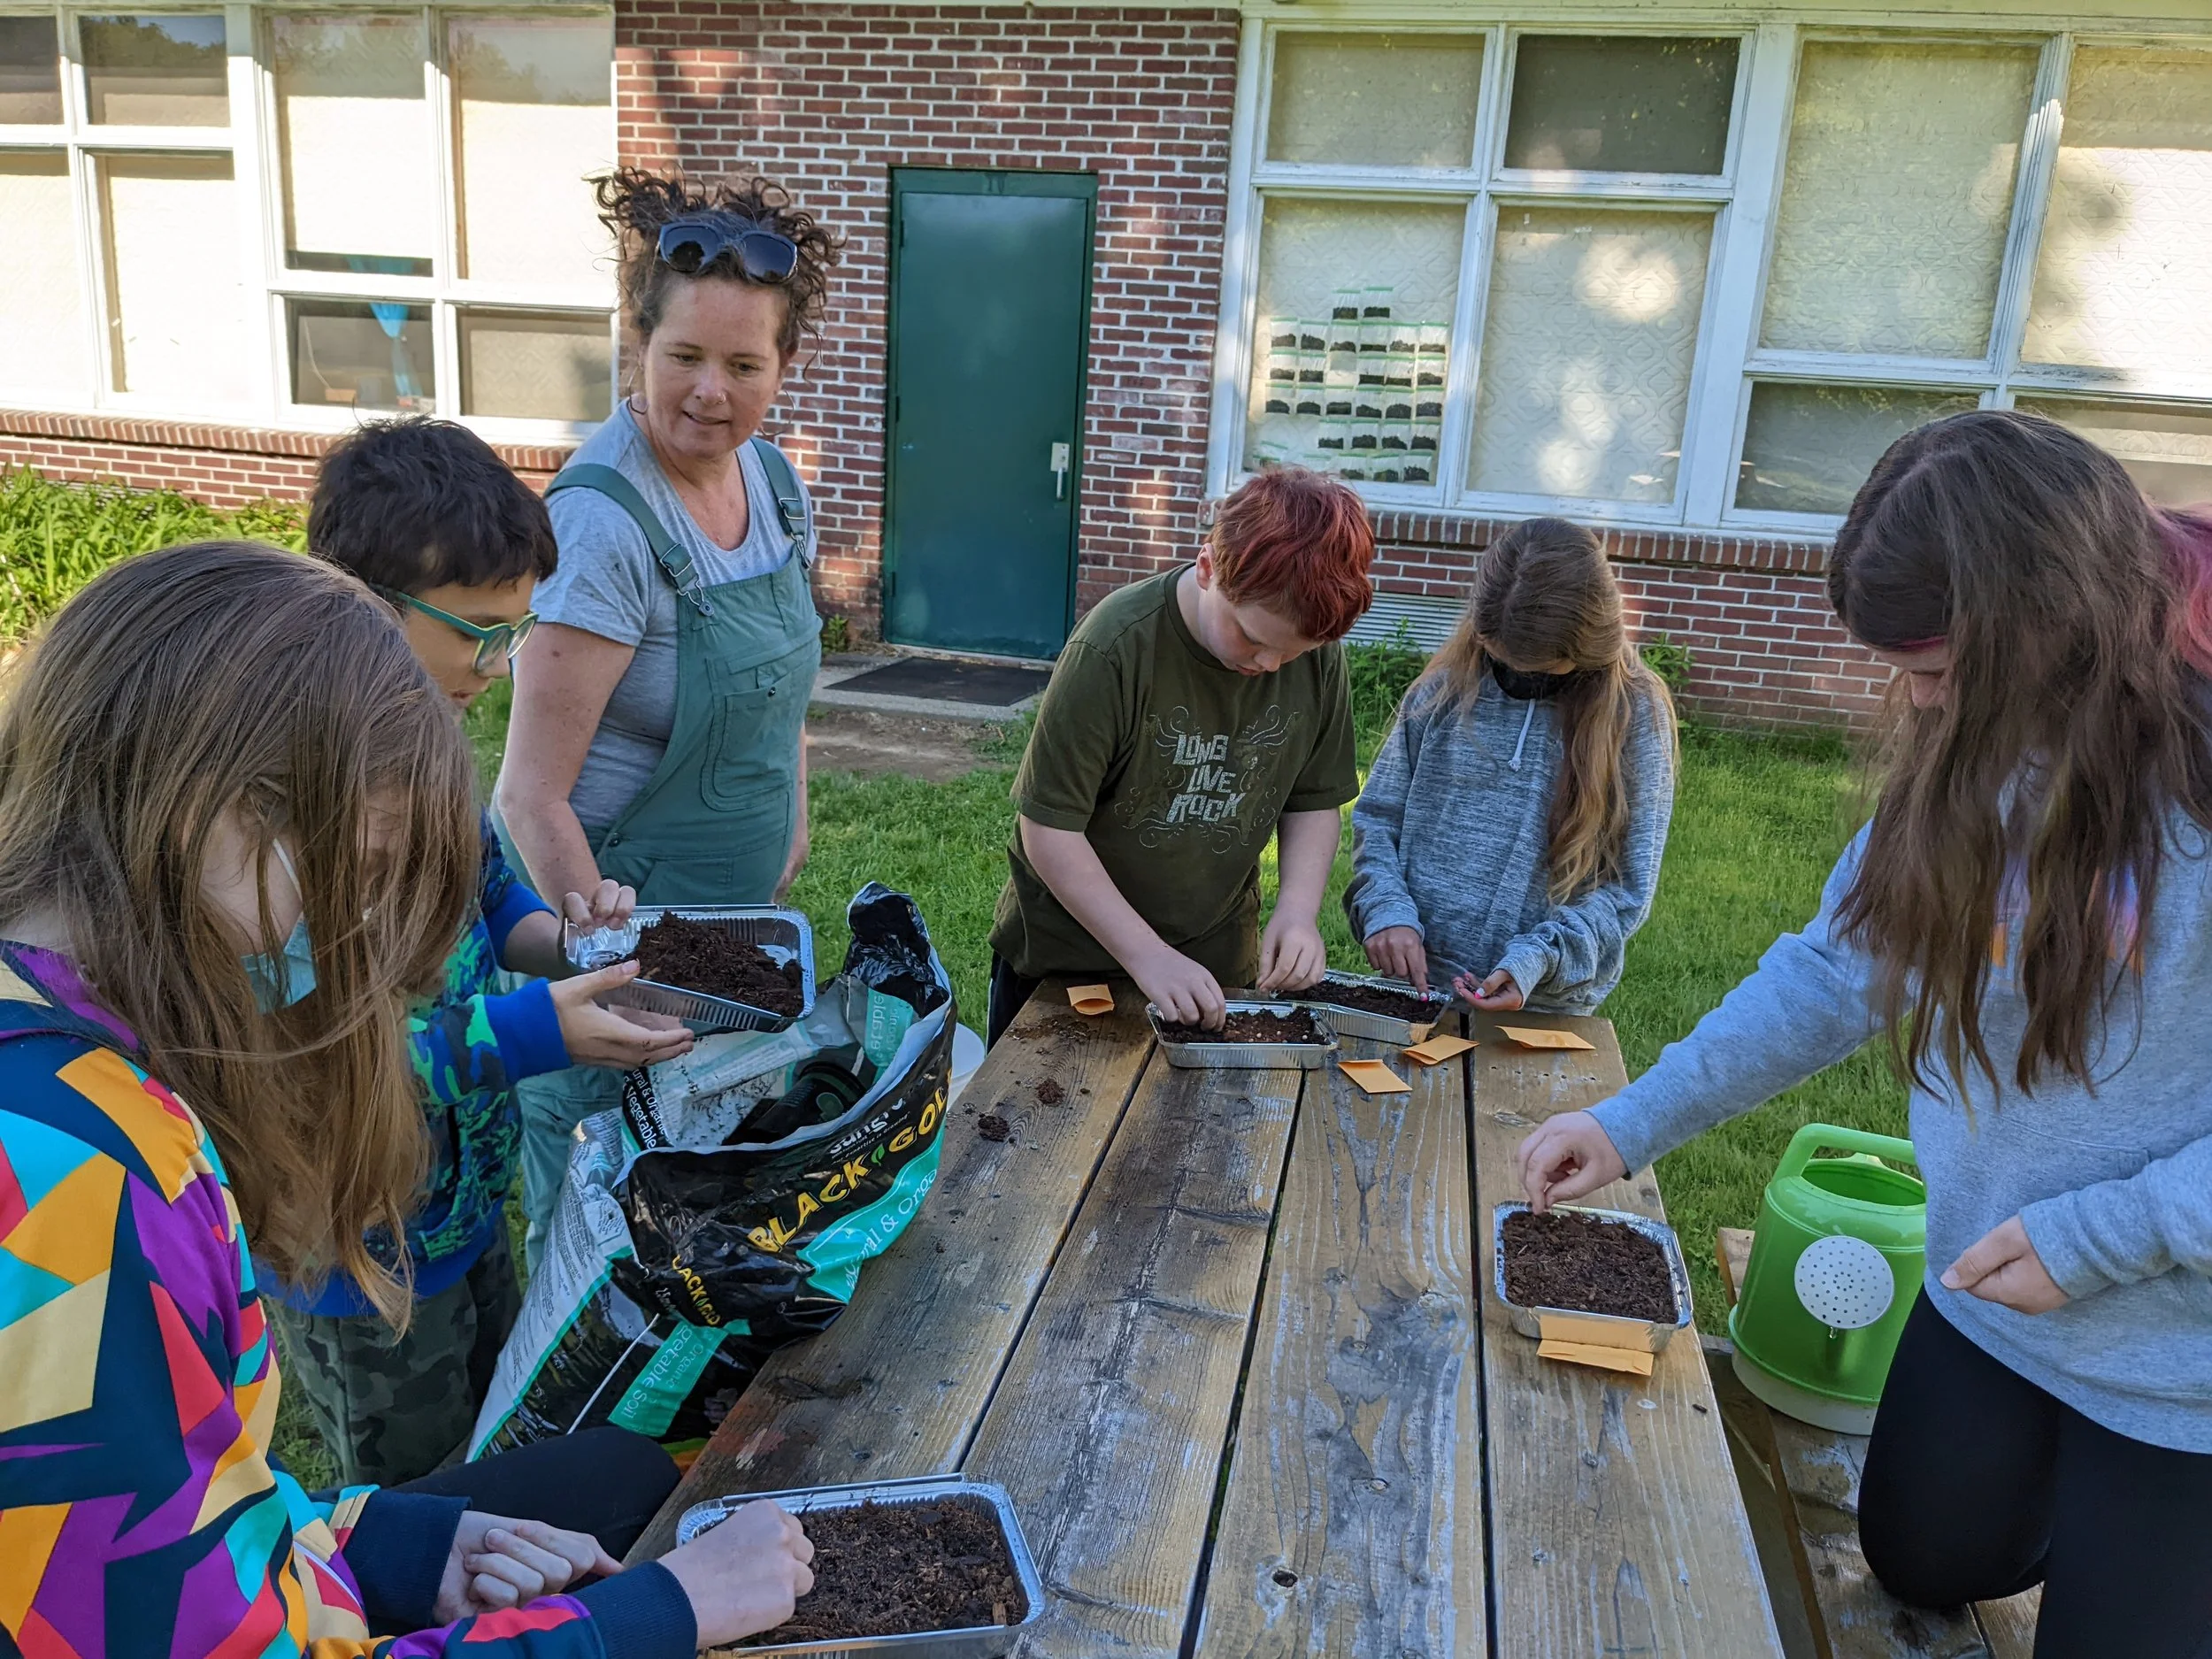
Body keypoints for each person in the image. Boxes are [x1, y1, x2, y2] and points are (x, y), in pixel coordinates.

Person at [0, 541, 813, 1654]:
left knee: (613, 1468)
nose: (365, 952)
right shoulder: (85, 1200)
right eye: (364, 881)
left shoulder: (78, 1079)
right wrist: (643, 1621)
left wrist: (376, 1545)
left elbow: (191, 1506)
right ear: (216, 819)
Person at [1517, 411, 2212, 1658]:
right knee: (1921, 1556)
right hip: (1989, 1288)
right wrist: (1627, 1121)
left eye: (1940, 671)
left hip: (2181, 1363)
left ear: (2051, 622)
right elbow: (1830, 978)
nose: (1918, 700)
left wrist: (2105, 1235)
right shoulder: (1969, 759)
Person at [277, 417, 694, 1486]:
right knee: (419, 1492)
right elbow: (312, 1058)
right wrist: (535, 1030)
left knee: (499, 1435)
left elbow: (491, 895)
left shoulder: (429, 741)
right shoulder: (283, 815)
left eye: (515, 631)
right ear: (357, 601)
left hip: (464, 1215)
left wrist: (564, 940)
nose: (501, 666)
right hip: (358, 1262)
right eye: (475, 630)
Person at [496, 169, 839, 1267]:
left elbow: (782, 677)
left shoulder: (776, 485)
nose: (711, 392)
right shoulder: (604, 524)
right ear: (635, 342)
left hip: (734, 927)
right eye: (684, 356)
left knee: (718, 1190)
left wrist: (791, 810)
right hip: (624, 951)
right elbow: (527, 794)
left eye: (745, 365)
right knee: (604, 1234)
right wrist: (606, 969)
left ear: (784, 367)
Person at [985, 465, 1372, 1046]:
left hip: (1214, 965)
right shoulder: (1114, 648)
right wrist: (1148, 956)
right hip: (1067, 964)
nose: (1269, 665)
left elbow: (1314, 799)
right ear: (1208, 567)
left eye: (1293, 652)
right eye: (1252, 637)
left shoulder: (1316, 660)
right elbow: (1048, 830)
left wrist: (1296, 910)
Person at [1345, 516, 1676, 1013]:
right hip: (1417, 985)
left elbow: (1628, 890)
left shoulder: (1634, 716)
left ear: (1589, 650)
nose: (1519, 682)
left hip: (1540, 1002)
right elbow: (1379, 817)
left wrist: (1538, 960)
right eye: (1504, 665)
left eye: (1543, 676)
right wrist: (1386, 911)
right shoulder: (1441, 692)